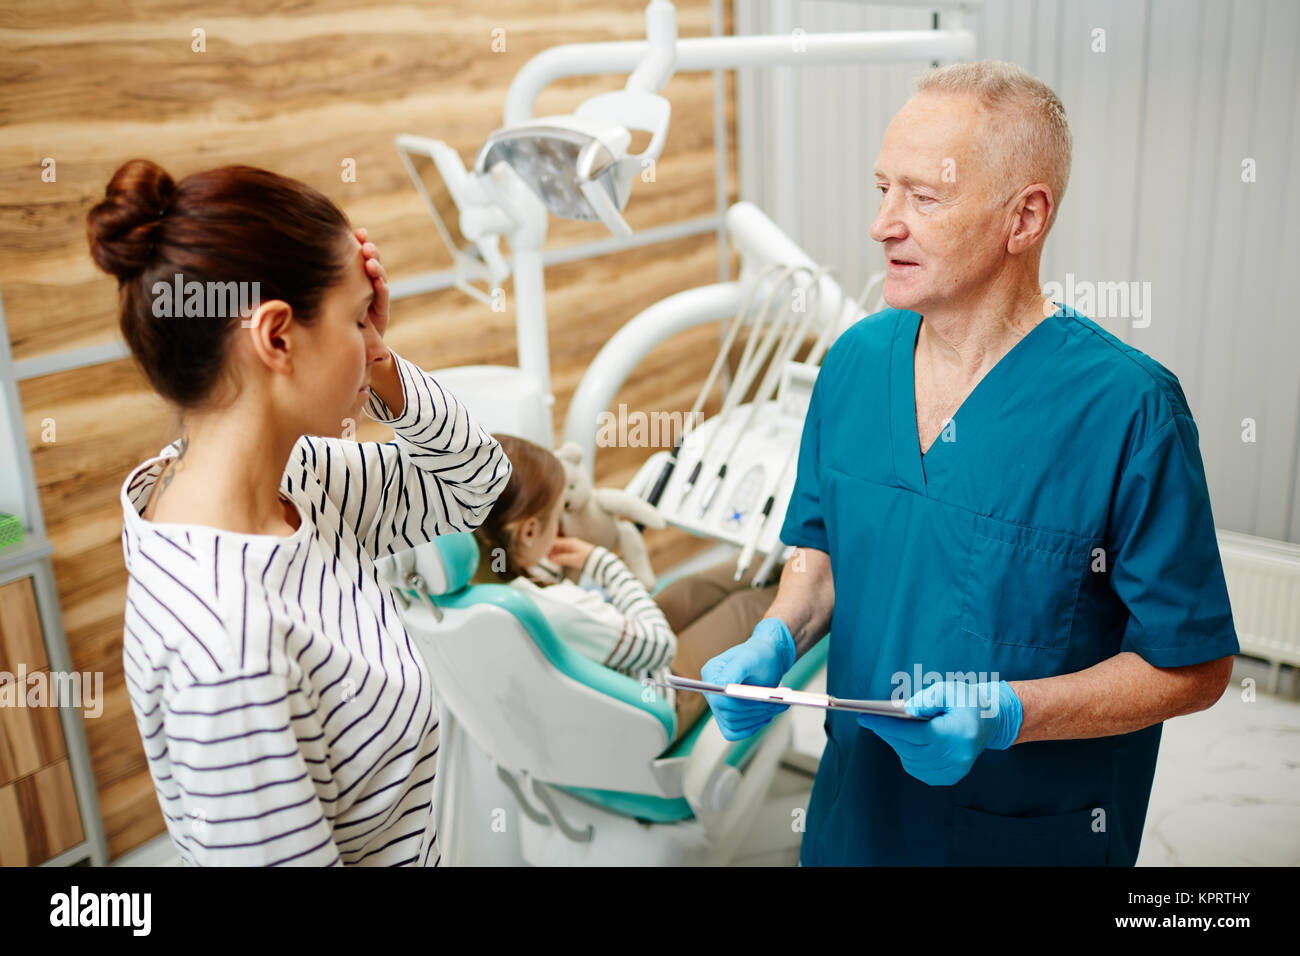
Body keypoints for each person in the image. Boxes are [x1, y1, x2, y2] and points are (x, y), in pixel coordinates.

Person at [701, 61, 1239, 866]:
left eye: (923, 197)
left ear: (1023, 218)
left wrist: (1008, 715)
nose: (884, 224)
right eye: (882, 189)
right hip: (856, 822)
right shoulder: (852, 364)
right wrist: (778, 635)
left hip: (1026, 836)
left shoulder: (1128, 412)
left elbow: (1192, 667)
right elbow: (822, 555)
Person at [90, 159, 511, 866]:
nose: (372, 337)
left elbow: (475, 486)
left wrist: (376, 360)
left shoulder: (299, 481)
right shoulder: (226, 645)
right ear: (277, 337)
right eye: (356, 318)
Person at [469, 434, 779, 740]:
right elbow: (662, 645)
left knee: (695, 587)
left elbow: (539, 582)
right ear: (529, 532)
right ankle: (817, 577)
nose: (562, 523)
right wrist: (602, 563)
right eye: (557, 515)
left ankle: (779, 562)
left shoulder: (481, 580)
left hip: (615, 667)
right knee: (745, 607)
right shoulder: (560, 608)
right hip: (658, 694)